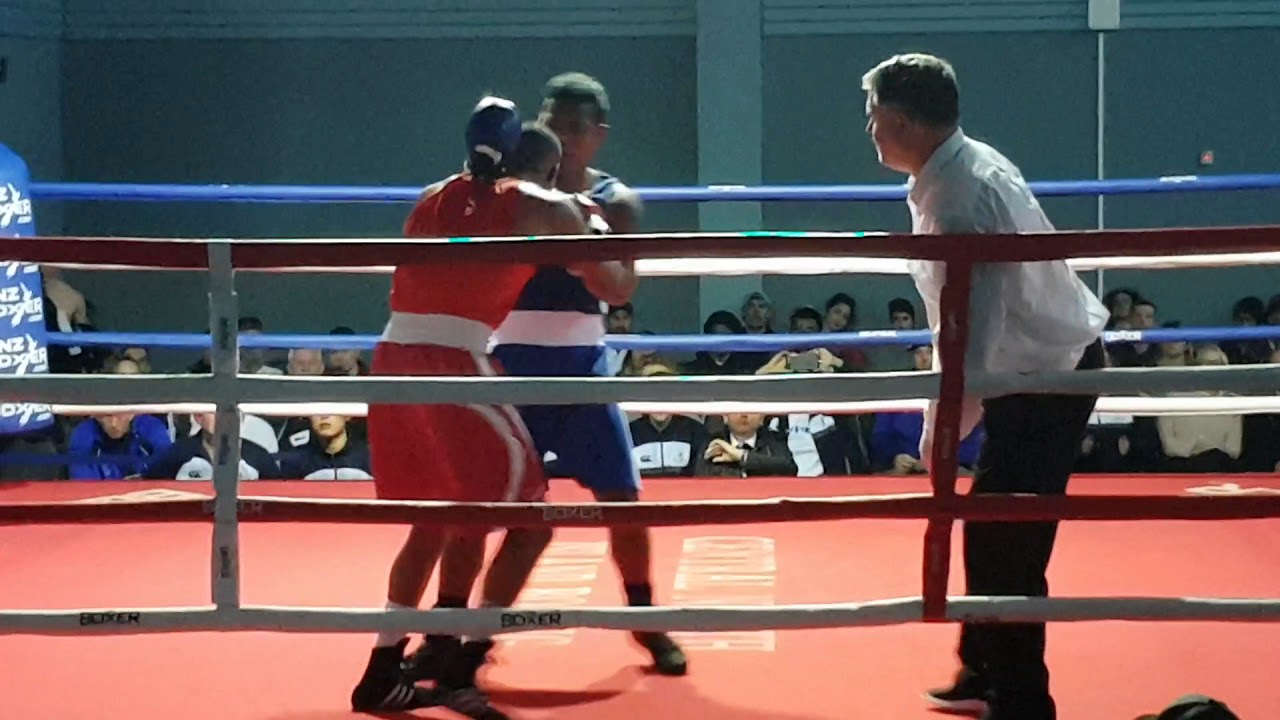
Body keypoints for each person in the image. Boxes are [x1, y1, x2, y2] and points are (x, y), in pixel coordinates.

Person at [861, 53, 1109, 720]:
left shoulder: (963, 196)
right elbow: (971, 326)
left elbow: (980, 330)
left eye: (874, 117)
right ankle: (983, 667)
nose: (868, 130)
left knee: (1010, 541)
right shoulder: (958, 169)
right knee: (991, 526)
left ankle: (1025, 700)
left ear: (904, 121)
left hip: (1044, 372)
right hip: (1032, 365)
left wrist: (946, 425)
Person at [351, 96, 607, 718]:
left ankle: (388, 668)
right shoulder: (531, 201)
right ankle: (458, 661)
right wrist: (590, 216)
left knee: (438, 518)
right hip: (453, 360)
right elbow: (590, 252)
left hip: (392, 359)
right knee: (520, 514)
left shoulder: (433, 193)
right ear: (538, 168)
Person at [491, 72, 687, 676]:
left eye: (576, 129)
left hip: (582, 366)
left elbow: (622, 287)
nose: (563, 139)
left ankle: (645, 619)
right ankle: (461, 631)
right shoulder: (508, 193)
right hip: (508, 365)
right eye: (553, 124)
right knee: (498, 512)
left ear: (598, 136)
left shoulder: (616, 201)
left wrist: (584, 248)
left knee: (623, 500)